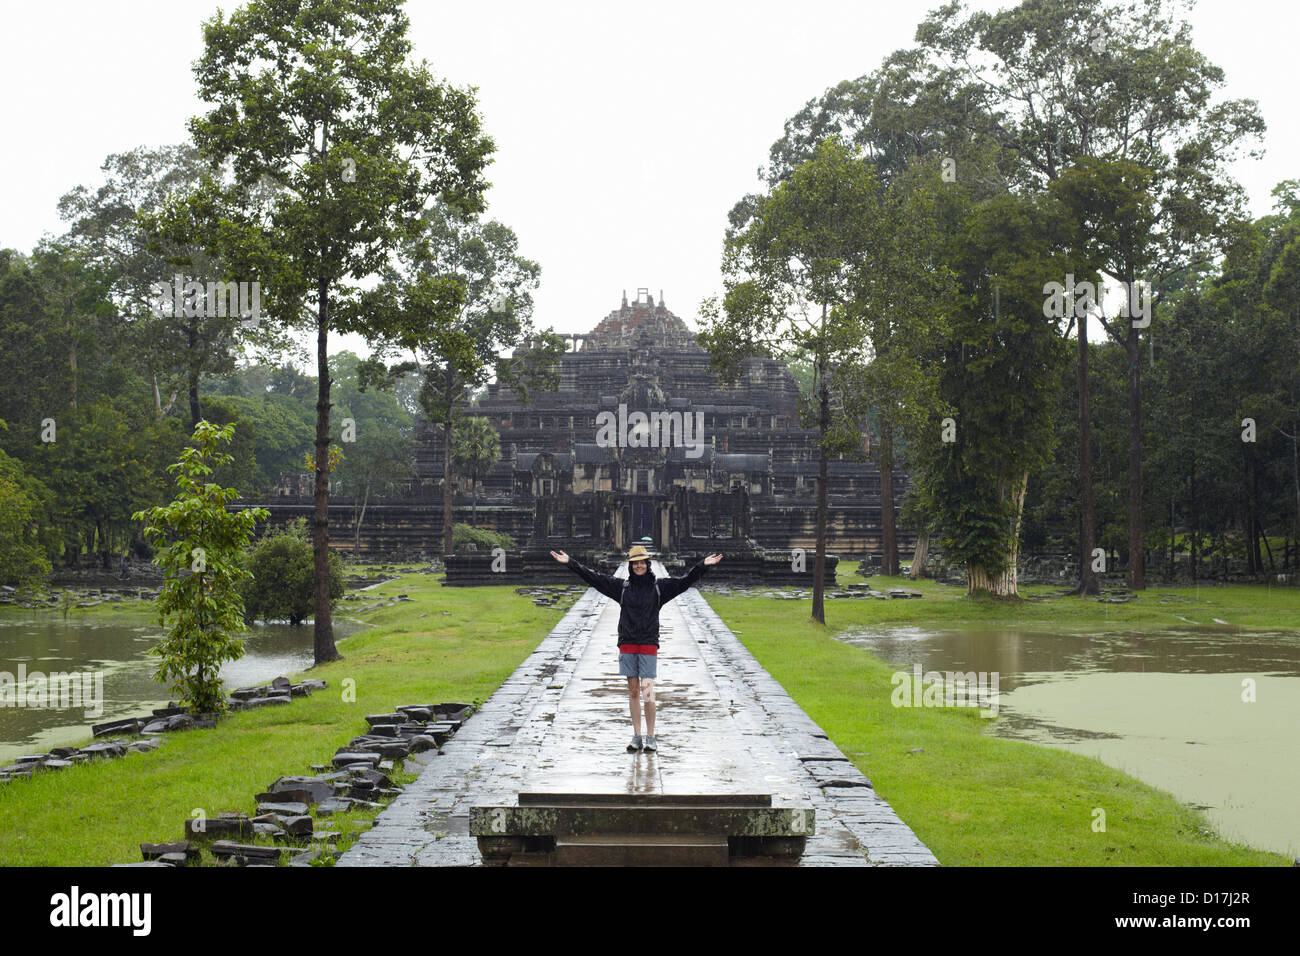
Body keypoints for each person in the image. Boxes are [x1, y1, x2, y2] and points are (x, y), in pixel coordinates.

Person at [551, 545, 722, 753]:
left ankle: (651, 736)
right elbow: (594, 578)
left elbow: (684, 581)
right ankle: (636, 735)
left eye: (642, 562)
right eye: (635, 563)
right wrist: (570, 563)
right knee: (633, 691)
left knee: (647, 691)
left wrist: (703, 566)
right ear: (631, 566)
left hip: (648, 643)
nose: (639, 566)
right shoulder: (621, 587)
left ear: (647, 564)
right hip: (628, 642)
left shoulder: (659, 588)